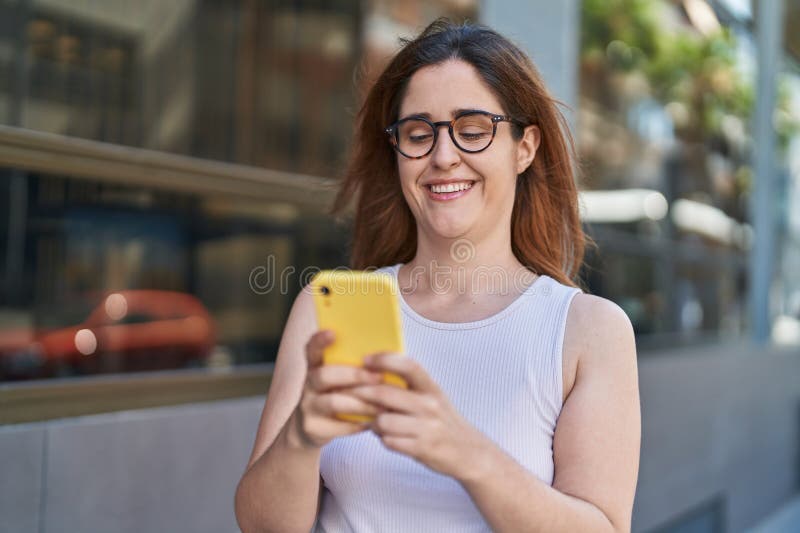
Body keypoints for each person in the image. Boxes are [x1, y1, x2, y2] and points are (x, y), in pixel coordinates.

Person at [235, 18, 640, 533]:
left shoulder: (588, 331)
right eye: (419, 134)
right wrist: (302, 436)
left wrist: (466, 453)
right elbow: (261, 526)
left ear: (525, 147)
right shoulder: (331, 305)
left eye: (472, 131)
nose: (443, 157)